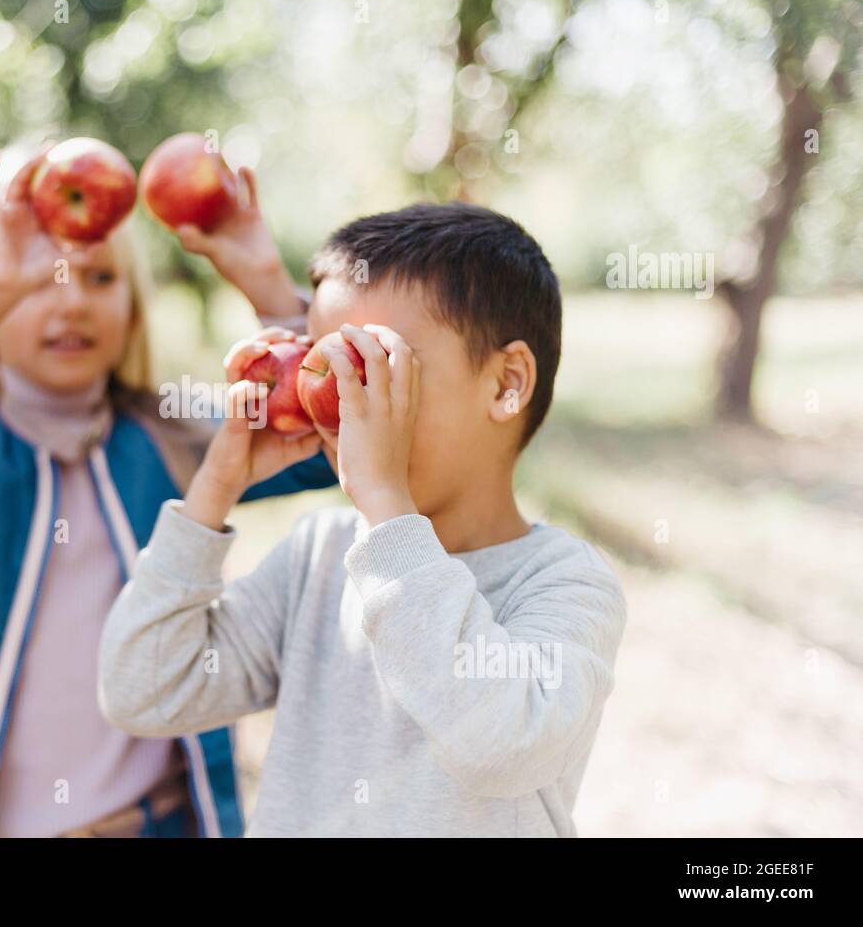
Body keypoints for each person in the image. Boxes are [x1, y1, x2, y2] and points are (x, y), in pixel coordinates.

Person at [0, 144, 332, 837]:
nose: (71, 300)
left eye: (100, 277)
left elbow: (325, 446)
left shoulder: (167, 438)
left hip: (153, 821)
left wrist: (267, 285)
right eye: (39, 280)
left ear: (133, 308)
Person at [99, 202, 627, 836]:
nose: (340, 403)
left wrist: (385, 502)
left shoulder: (566, 585)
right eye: (323, 364)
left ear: (505, 383)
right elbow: (144, 689)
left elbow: (499, 744)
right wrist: (215, 487)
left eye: (375, 370)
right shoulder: (318, 558)